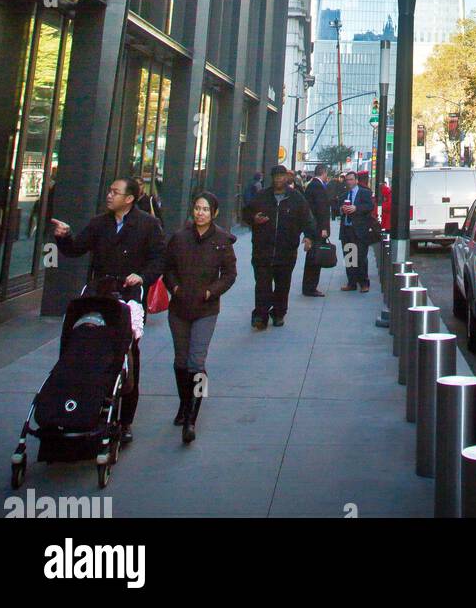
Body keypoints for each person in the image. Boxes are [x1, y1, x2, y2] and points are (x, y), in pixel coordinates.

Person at [50, 177, 164, 445]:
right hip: (100, 294)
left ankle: (125, 421)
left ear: (130, 198)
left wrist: (142, 276)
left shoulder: (148, 224)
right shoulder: (99, 223)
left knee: (128, 356)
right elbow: (77, 249)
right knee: (87, 348)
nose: (109, 195)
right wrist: (65, 238)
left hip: (128, 298)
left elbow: (159, 258)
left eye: (115, 192)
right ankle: (80, 407)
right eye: (109, 191)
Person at [163, 192, 236, 443]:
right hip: (180, 308)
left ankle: (193, 416)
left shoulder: (223, 240)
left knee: (197, 361)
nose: (200, 213)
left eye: (205, 209)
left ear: (214, 213)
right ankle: (184, 403)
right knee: (180, 362)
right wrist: (174, 288)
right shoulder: (179, 238)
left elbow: (229, 275)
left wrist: (210, 292)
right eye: (197, 208)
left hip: (206, 309)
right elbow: (168, 269)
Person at [244, 165, 317, 329]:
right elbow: (246, 213)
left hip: (286, 250)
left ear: (286, 178)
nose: (279, 179)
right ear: (272, 178)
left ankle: (278, 313)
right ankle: (260, 316)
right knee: (262, 284)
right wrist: (254, 218)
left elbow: (307, 218)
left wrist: (309, 237)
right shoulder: (262, 196)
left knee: (282, 285)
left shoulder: (296, 198)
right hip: (262, 249)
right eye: (276, 176)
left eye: (281, 176)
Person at [339, 169, 375, 293]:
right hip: (346, 229)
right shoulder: (344, 195)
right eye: (347, 180)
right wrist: (341, 209)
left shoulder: (364, 193)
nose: (349, 182)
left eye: (351, 179)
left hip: (360, 230)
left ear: (356, 180)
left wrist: (356, 208)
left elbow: (370, 206)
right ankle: (351, 283)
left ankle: (364, 283)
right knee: (349, 257)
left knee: (361, 257)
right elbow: (336, 208)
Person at [302, 165, 332, 297]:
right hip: (317, 228)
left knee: (313, 257)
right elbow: (321, 210)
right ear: (324, 173)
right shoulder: (318, 187)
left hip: (313, 227)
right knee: (315, 258)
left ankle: (309, 286)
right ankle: (310, 287)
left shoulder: (312, 186)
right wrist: (324, 228)